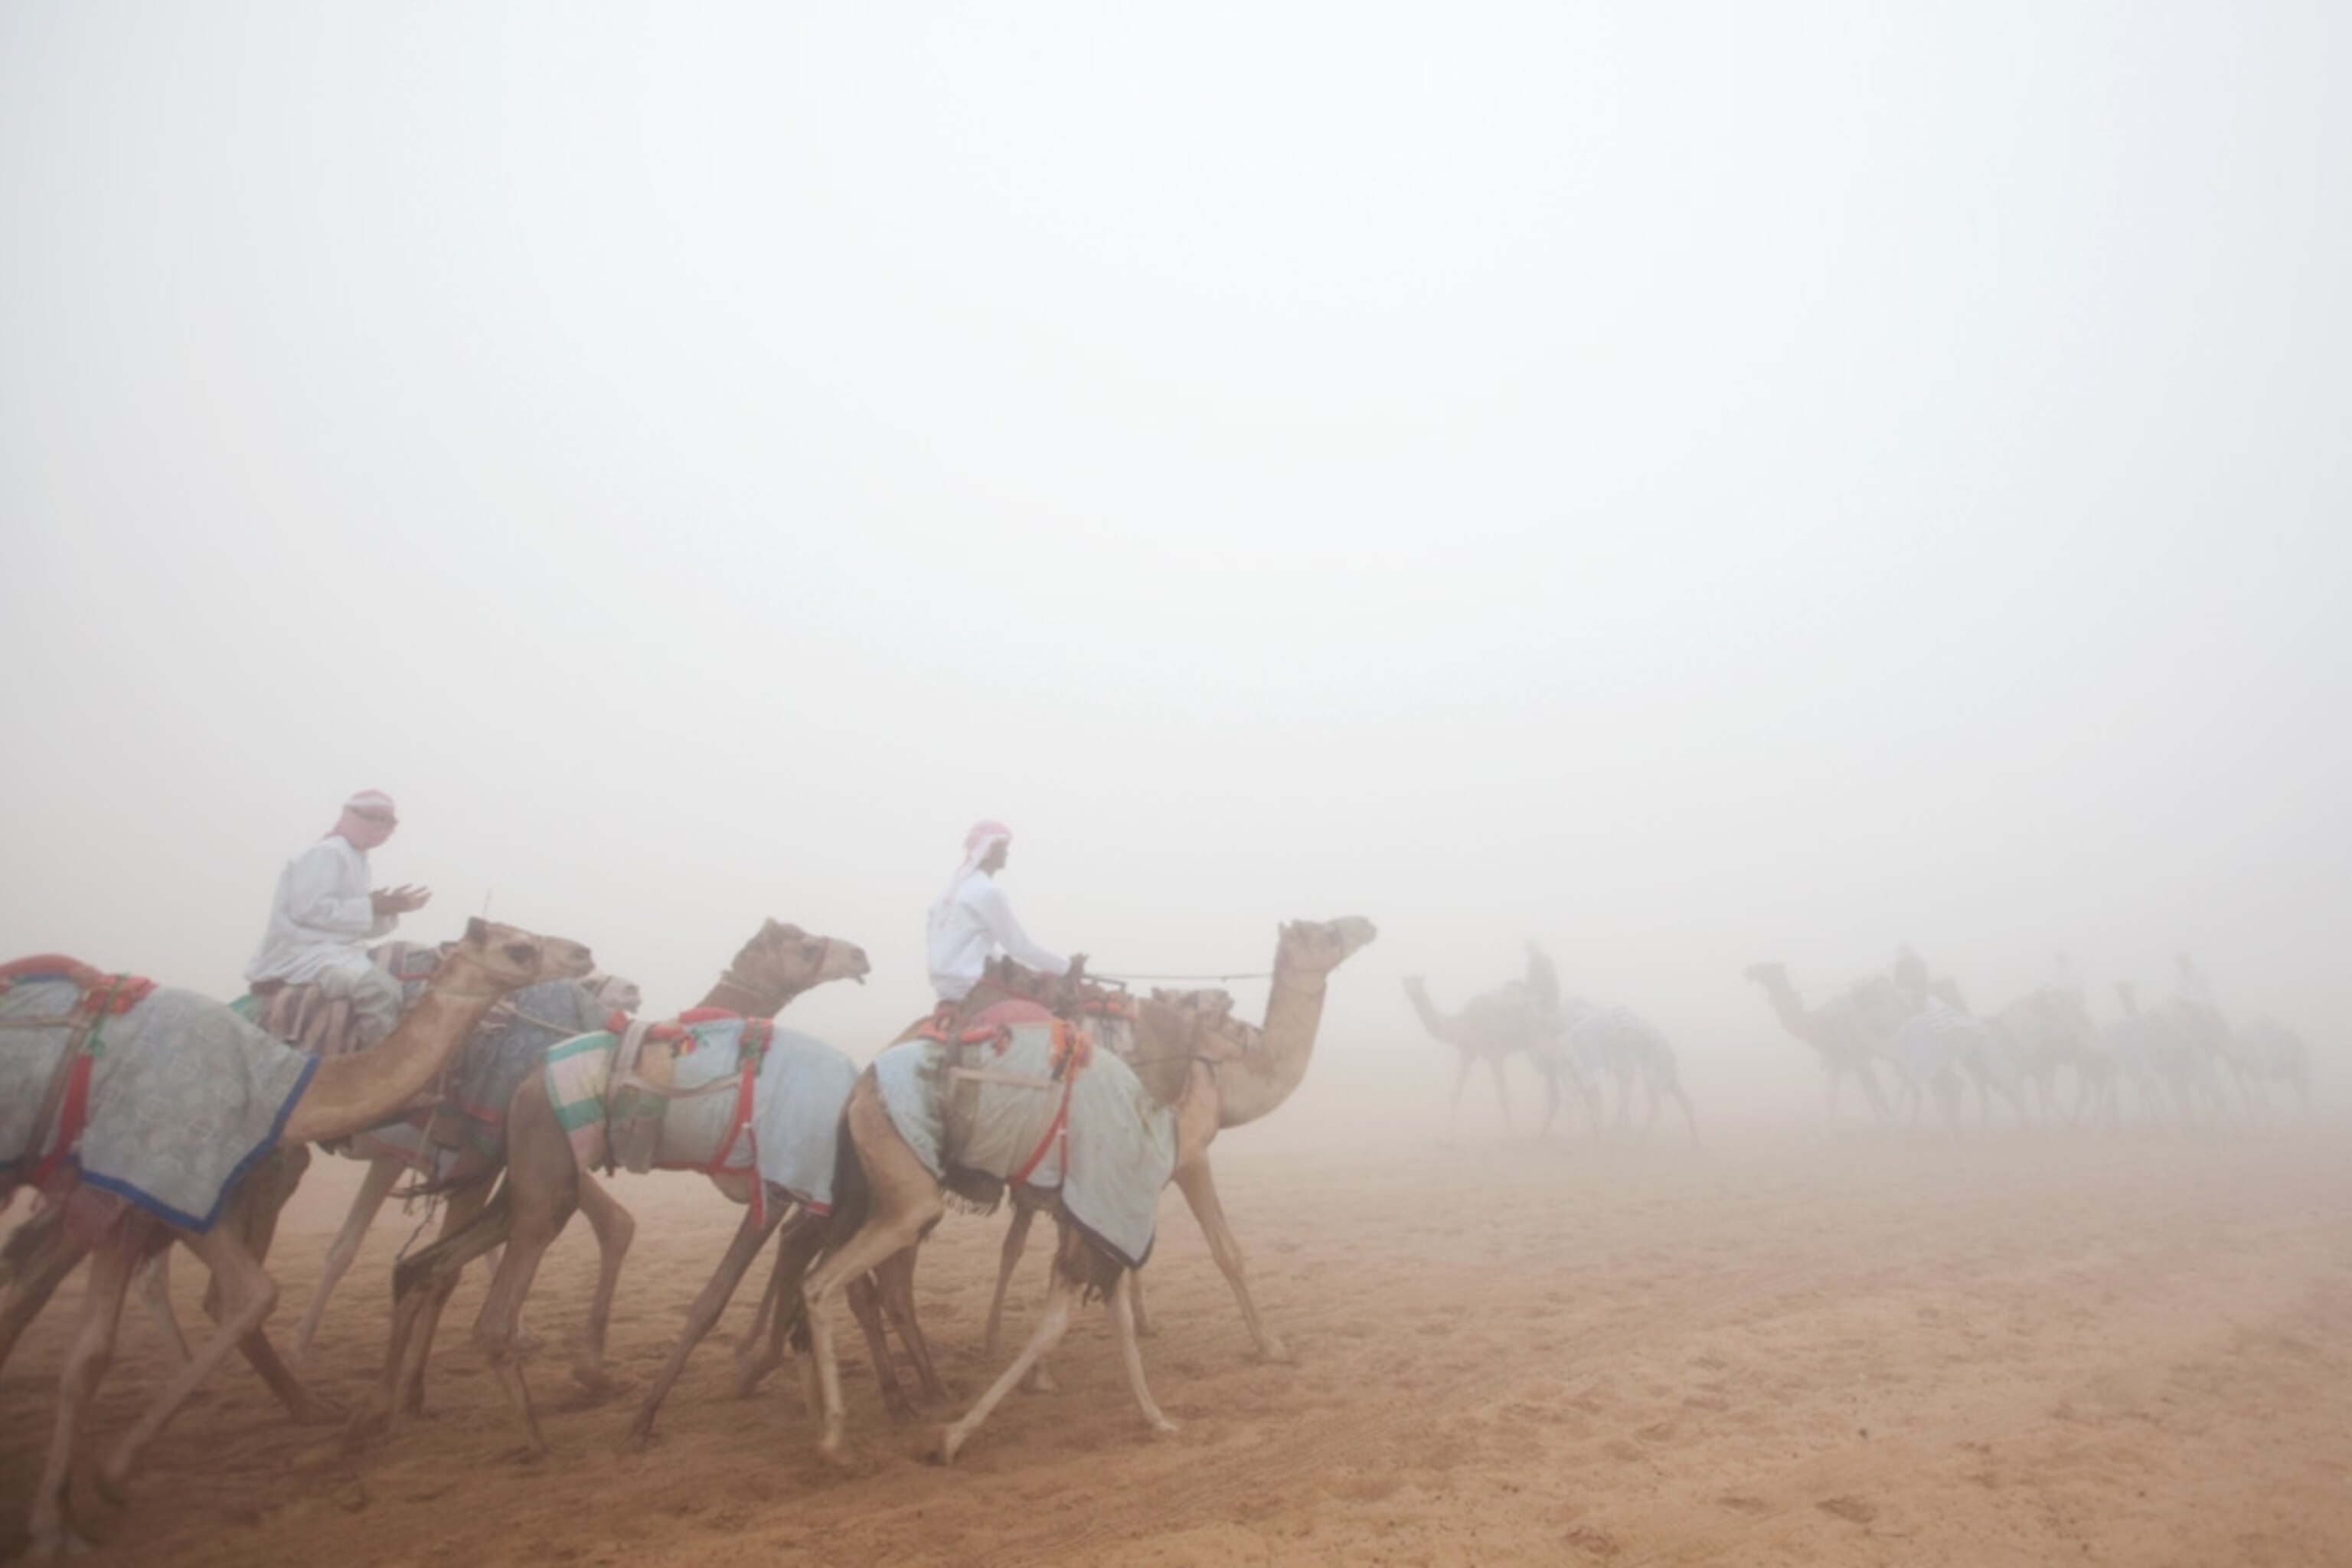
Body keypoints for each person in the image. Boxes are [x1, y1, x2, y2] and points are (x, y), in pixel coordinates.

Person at [244, 789, 432, 1047]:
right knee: (381, 991)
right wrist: (371, 905)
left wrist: (390, 908)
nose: (379, 827)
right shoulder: (328, 853)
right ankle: (377, 1070)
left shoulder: (359, 860)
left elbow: (352, 924)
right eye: (372, 818)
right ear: (351, 815)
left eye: (386, 822)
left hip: (336, 950)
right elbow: (310, 910)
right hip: (302, 952)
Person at [925, 819, 1086, 1014]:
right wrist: (1066, 967)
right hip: (975, 987)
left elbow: (969, 947)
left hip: (945, 991)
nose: (1007, 853)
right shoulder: (988, 892)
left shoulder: (945, 895)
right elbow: (1019, 946)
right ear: (988, 851)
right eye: (1003, 848)